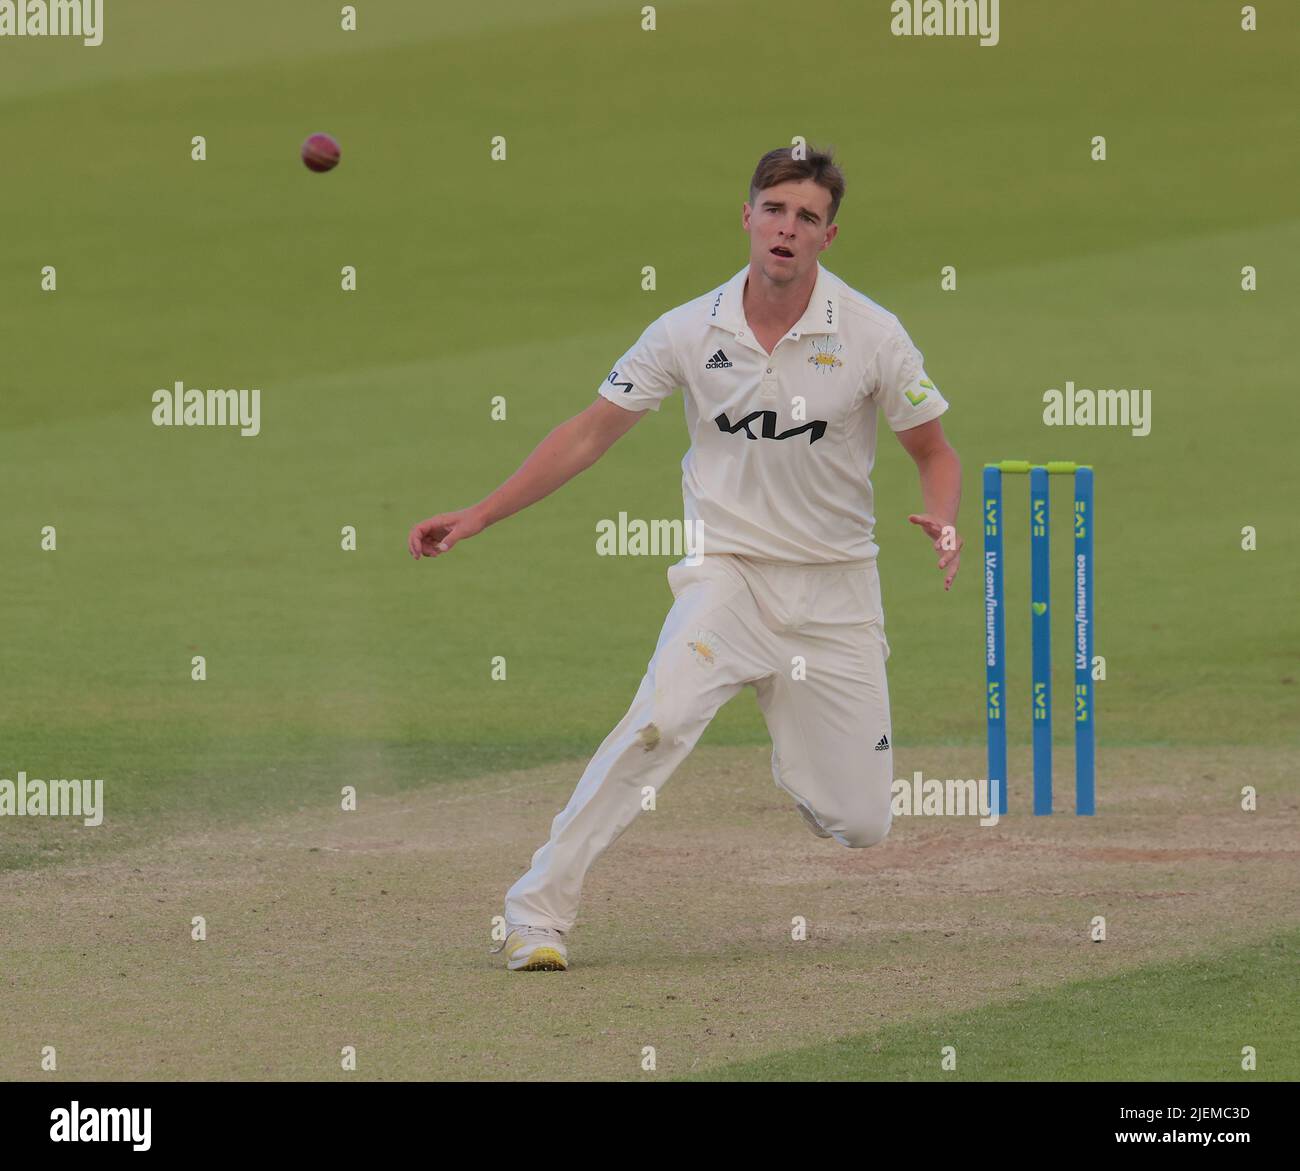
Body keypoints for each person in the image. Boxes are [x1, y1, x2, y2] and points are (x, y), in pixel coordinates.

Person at [408, 146, 964, 972]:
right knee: (656, 723)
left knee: (861, 822)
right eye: (774, 209)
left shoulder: (872, 334)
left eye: (806, 217)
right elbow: (589, 431)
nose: (786, 227)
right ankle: (536, 914)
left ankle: (794, 733)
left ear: (828, 235)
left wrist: (944, 519)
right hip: (728, 576)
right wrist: (482, 513)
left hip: (836, 591)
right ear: (747, 217)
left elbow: (934, 448)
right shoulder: (687, 330)